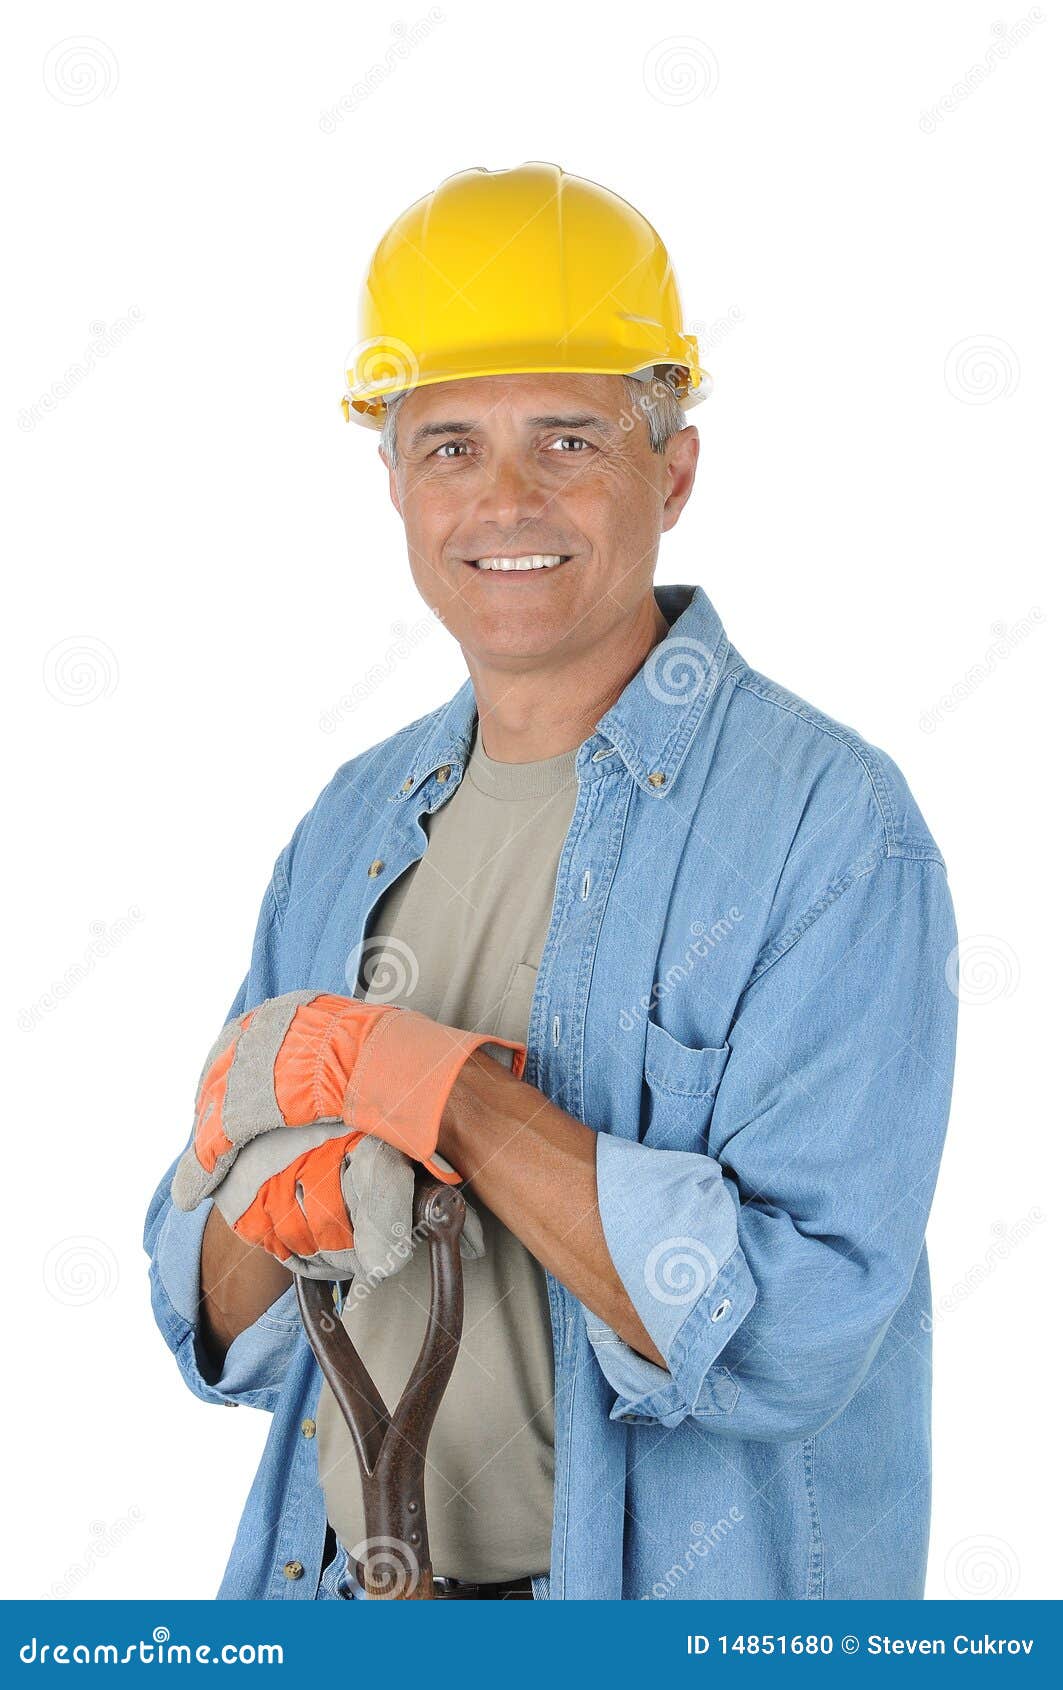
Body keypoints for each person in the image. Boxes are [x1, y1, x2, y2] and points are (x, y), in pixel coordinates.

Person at [145, 162, 958, 1601]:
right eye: (449, 444)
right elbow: (217, 1329)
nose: (503, 498)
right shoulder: (348, 823)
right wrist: (262, 1194)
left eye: (567, 438)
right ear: (393, 480)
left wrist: (438, 1090)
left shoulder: (832, 831)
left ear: (676, 470)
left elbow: (799, 1329)